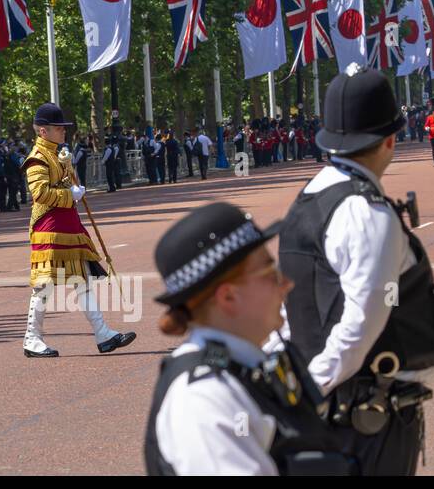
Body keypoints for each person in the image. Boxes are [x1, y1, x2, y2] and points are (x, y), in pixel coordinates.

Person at [277, 65, 434, 475]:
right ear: (391, 139)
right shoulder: (368, 212)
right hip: (362, 413)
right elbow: (362, 322)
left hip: (328, 401)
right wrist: (309, 391)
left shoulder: (309, 197)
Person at [146, 203, 352, 475]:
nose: (286, 284)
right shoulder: (205, 397)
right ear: (228, 296)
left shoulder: (241, 366)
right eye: (270, 274)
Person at [21, 103, 135, 359]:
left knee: (81, 281)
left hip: (67, 226)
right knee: (44, 285)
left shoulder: (58, 153)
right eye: (58, 128)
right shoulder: (37, 158)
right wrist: (68, 194)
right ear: (43, 131)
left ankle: (103, 333)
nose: (63, 132)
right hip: (49, 228)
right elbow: (40, 194)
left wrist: (73, 186)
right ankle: (32, 338)